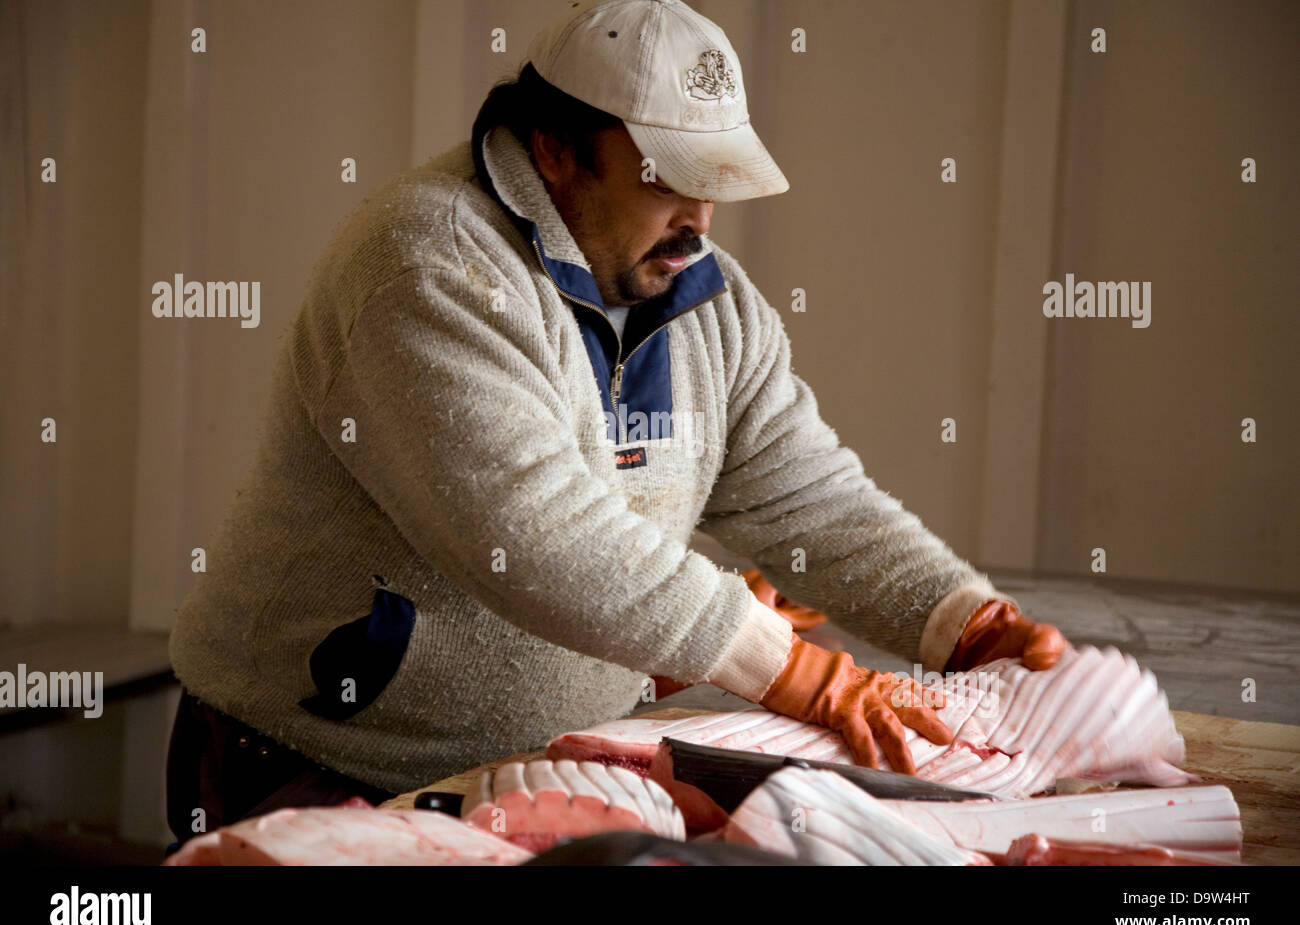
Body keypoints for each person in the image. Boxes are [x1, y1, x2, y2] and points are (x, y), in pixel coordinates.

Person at [164, 0, 1068, 846]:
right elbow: (538, 535)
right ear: (554, 148)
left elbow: (808, 494)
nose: (699, 219)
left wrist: (961, 618)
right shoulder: (427, 266)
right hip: (315, 761)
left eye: (713, 183)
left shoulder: (704, 296)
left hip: (535, 769)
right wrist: (795, 671)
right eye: (665, 178)